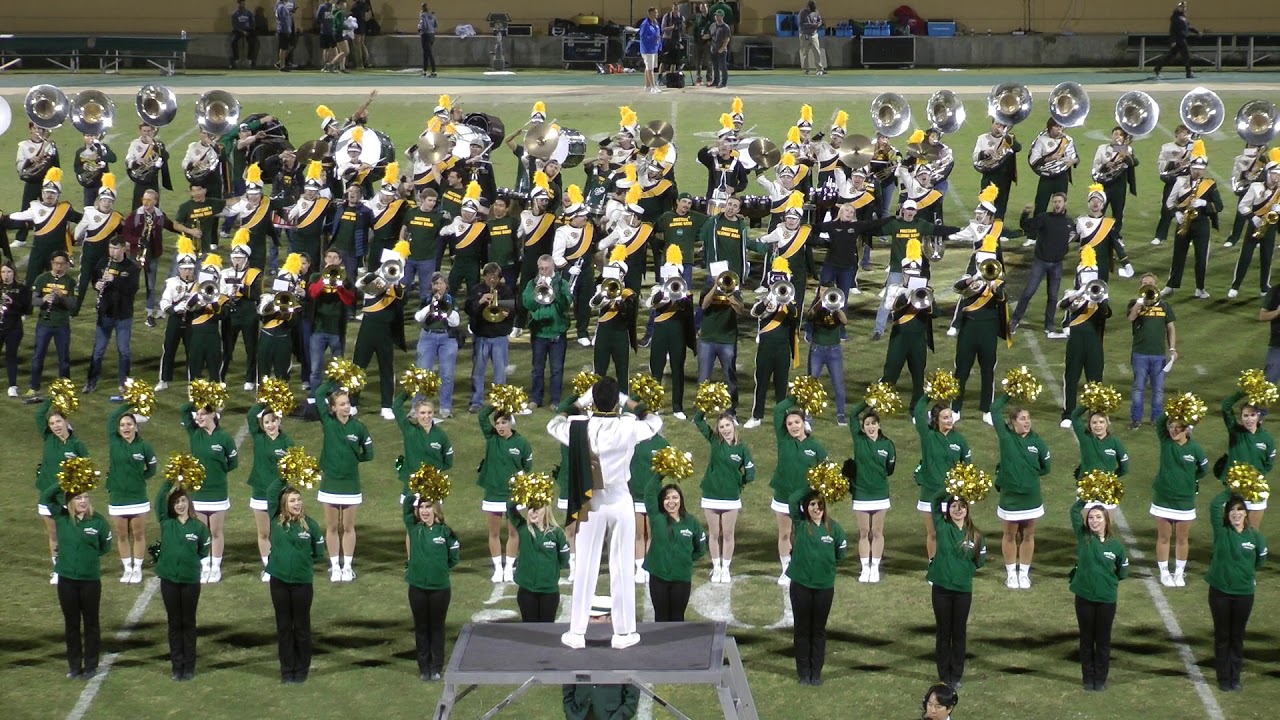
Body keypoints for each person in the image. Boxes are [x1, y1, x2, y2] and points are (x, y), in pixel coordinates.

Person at [548, 379, 663, 650]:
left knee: (585, 566)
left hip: (590, 501)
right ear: (615, 402)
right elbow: (654, 421)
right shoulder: (628, 425)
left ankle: (576, 633)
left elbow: (553, 424)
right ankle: (623, 633)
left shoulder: (579, 427)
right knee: (622, 566)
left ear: (593, 401)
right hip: (620, 498)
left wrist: (578, 403)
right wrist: (628, 402)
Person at [41, 483, 112, 679]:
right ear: (70, 501)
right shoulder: (62, 517)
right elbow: (47, 497)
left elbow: (105, 546)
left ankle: (91, 665)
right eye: (78, 498)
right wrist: (64, 482)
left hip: (90, 580)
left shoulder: (98, 521)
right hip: (67, 580)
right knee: (71, 624)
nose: (83, 501)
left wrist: (88, 559)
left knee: (91, 623)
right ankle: (74, 666)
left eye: (85, 497)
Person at [1205, 491, 1267, 692]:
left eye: (1240, 509)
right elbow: (1215, 505)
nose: (1236, 513)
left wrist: (1245, 575)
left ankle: (1235, 677)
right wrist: (1232, 489)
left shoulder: (1255, 536)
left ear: (1246, 514)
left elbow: (1260, 561)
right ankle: (1223, 678)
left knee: (1237, 636)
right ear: (1227, 514)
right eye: (1232, 510)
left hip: (1244, 594)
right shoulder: (1222, 532)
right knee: (1223, 635)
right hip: (1220, 592)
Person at [312, 379, 373, 582]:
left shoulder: (359, 428)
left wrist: (355, 459)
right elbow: (320, 391)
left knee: (348, 526)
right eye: (342, 404)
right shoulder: (328, 422)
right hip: (330, 482)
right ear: (333, 408)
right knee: (331, 526)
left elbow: (369, 453)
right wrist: (335, 380)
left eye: (347, 403)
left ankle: (347, 566)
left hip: (350, 483)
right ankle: (334, 566)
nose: (346, 406)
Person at [266, 481, 324, 683]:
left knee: (301, 627)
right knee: (283, 627)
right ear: (284, 504)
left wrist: (303, 566)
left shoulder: (311, 525)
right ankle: (287, 670)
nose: (297, 503)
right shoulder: (275, 521)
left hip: (302, 584)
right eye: (292, 500)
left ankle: (301, 670)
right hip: (279, 582)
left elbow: (319, 554)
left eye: (299, 499)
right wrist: (285, 476)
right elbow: (271, 491)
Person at [1069, 499, 1129, 692]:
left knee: (1103, 640)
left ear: (1106, 520)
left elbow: (1123, 571)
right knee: (1086, 639)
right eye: (1091, 518)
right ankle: (1088, 678)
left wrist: (1108, 583)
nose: (1094, 521)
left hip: (1106, 600)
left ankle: (1101, 680)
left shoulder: (1116, 546)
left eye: (1098, 517)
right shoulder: (1083, 536)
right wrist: (1088, 496)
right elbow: (1074, 510)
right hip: (1084, 597)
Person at [787, 488, 845, 686]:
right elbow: (792, 498)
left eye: (820, 504)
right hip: (801, 585)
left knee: (818, 630)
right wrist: (813, 485)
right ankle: (803, 673)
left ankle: (816, 673)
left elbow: (840, 554)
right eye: (812, 504)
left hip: (824, 586)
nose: (816, 508)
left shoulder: (834, 529)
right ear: (806, 508)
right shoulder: (800, 523)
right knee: (802, 629)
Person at [928, 492, 986, 690]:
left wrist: (964, 572)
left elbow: (980, 561)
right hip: (941, 589)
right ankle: (944, 675)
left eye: (962, 506)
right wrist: (952, 487)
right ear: (948, 510)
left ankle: (956, 675)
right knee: (943, 632)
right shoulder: (942, 527)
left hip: (963, 591)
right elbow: (935, 502)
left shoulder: (976, 535)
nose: (958, 510)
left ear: (967, 510)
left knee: (959, 632)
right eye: (953, 506)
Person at [153, 480, 210, 680]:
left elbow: (204, 550)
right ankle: (177, 666)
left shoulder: (199, 528)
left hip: (190, 581)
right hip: (169, 580)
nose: (180, 505)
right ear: (171, 505)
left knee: (189, 622)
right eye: (176, 502)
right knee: (174, 623)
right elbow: (159, 499)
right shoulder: (166, 523)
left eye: (183, 500)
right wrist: (170, 480)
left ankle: (189, 666)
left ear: (189, 503)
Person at [769, 395, 828, 586]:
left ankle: (805, 567)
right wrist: (797, 397)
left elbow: (826, 471)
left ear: (804, 423)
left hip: (806, 500)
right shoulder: (784, 439)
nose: (793, 426)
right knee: (785, 533)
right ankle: (787, 570)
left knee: (805, 534)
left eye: (797, 422)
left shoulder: (815, 447)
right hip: (783, 496)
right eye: (789, 423)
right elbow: (778, 410)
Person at [180, 399, 239, 583]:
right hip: (199, 492)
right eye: (197, 415)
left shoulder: (225, 438)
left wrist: (217, 474)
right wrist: (198, 398)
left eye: (202, 414)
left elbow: (233, 463)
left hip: (218, 492)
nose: (199, 418)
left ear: (213, 414)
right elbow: (184, 409)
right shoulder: (194, 433)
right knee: (203, 532)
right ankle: (205, 565)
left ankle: (216, 567)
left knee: (216, 531)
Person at [403, 493, 458, 681]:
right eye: (421, 507)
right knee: (421, 627)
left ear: (435, 509)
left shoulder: (446, 532)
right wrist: (417, 490)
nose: (424, 511)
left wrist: (438, 571)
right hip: (417, 587)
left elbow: (454, 558)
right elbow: (406, 505)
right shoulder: (413, 527)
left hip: (440, 589)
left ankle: (436, 667)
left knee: (437, 628)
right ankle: (423, 667)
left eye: (428, 506)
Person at [694, 409, 754, 583]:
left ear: (734, 426)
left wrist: (738, 483)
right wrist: (706, 406)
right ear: (718, 429)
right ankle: (716, 567)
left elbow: (751, 472)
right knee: (713, 533)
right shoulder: (714, 440)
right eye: (721, 426)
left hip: (731, 498)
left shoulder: (742, 448)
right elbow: (698, 420)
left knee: (728, 533)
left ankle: (726, 568)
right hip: (711, 495)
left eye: (727, 425)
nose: (725, 429)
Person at [36, 399, 92, 584]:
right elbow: (38, 414)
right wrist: (54, 398)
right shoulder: (48, 438)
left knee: (73, 534)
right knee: (54, 534)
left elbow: (87, 470)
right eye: (52, 423)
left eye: (58, 421)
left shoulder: (77, 444)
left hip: (69, 497)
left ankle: (78, 564)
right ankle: (58, 569)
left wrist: (82, 494)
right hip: (47, 495)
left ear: (66, 422)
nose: (55, 426)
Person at [478, 403, 534, 582]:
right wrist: (497, 402)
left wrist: (520, 479)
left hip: (514, 495)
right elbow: (481, 416)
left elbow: (527, 466)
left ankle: (509, 567)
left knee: (513, 532)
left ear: (511, 423)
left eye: (504, 422)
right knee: (493, 532)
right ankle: (497, 568)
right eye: (498, 423)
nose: (500, 426)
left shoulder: (522, 443)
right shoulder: (491, 437)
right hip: (493, 492)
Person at [1152, 412, 1208, 587]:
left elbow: (1203, 470)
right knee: (1164, 537)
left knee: (1182, 538)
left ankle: (1178, 573)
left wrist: (1190, 481)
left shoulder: (1195, 449)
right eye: (1171, 426)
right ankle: (1164, 573)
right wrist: (1174, 409)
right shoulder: (1166, 442)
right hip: (1163, 500)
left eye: (1178, 427)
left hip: (1185, 501)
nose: (1173, 430)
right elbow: (1160, 421)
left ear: (1186, 430)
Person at [104, 402, 158, 584]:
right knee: (121, 535)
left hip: (138, 497)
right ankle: (127, 568)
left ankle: (138, 568)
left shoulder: (144, 446)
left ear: (136, 426)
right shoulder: (114, 441)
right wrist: (131, 403)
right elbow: (112, 417)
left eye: (129, 424)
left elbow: (152, 469)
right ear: (118, 429)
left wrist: (138, 478)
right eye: (122, 425)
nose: (125, 428)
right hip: (118, 497)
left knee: (139, 534)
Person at [914, 396, 972, 560]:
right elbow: (918, 411)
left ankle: (953, 563)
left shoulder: (959, 440)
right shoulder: (928, 436)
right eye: (945, 417)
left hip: (952, 496)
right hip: (930, 494)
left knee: (954, 532)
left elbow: (967, 466)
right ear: (935, 420)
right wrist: (929, 394)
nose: (949, 420)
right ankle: (934, 565)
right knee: (933, 533)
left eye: (950, 416)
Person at [745, 259, 800, 428]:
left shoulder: (790, 302)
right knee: (761, 382)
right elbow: (755, 312)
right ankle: (756, 416)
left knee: (781, 384)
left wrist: (785, 302)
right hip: (766, 346)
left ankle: (782, 417)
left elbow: (795, 315)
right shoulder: (764, 299)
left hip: (783, 347)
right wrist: (768, 300)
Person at [844, 401, 896, 582]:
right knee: (864, 531)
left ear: (879, 425)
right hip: (861, 493)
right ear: (863, 427)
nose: (871, 427)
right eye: (867, 424)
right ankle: (865, 568)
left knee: (877, 531)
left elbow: (890, 469)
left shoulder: (888, 445)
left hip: (880, 493)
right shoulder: (859, 440)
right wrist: (868, 402)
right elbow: (852, 415)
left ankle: (876, 568)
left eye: (874, 423)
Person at [1058, 252, 1112, 425]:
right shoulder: (1072, 293)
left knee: (1095, 379)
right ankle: (1068, 414)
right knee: (1071, 377)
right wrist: (1080, 292)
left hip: (1095, 343)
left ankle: (1095, 413)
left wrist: (1101, 300)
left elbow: (1106, 314)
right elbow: (1062, 306)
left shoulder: (1100, 293)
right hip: (1076, 342)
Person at [1163, 143, 1222, 299]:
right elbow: (1170, 202)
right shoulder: (1180, 181)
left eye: (1200, 169)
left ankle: (1200, 288)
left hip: (1201, 223)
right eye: (1195, 167)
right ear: (1190, 167)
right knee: (1178, 256)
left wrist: (1205, 204)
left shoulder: (1209, 184)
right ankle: (1171, 285)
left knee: (1201, 258)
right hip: (1183, 221)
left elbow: (1220, 206)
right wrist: (1176, 214)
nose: (1197, 171)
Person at [85, 237, 140, 396]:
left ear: (123, 249)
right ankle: (91, 382)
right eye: (110, 248)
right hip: (105, 313)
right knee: (98, 351)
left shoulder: (131, 268)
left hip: (123, 315)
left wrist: (114, 280)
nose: (112, 252)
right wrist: (96, 285)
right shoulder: (103, 263)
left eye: (115, 249)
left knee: (123, 350)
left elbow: (132, 289)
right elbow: (94, 278)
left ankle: (124, 384)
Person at [245, 401, 293, 582]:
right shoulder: (258, 438)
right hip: (259, 493)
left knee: (281, 533)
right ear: (262, 425)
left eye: (273, 421)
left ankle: (283, 564)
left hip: (281, 495)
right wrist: (266, 400)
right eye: (266, 422)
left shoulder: (287, 442)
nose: (270, 425)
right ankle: (269, 567)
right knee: (264, 533)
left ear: (279, 421)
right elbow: (251, 414)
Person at [1012, 196, 1072, 336]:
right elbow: (1026, 226)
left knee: (1053, 296)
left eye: (1059, 201)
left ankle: (1049, 325)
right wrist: (1025, 213)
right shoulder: (1044, 218)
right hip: (1041, 262)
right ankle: (1015, 320)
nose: (1057, 204)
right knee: (1028, 292)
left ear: (1065, 203)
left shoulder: (1069, 221)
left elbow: (1075, 237)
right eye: (1055, 201)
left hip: (1057, 264)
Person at [1127, 273, 1177, 429]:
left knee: (1158, 390)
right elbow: (1131, 318)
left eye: (1150, 283)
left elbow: (1170, 328)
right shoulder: (1134, 303)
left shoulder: (1164, 306)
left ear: (1156, 286)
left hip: (1158, 355)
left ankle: (1156, 419)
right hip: (1140, 353)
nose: (1147, 285)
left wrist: (1172, 348)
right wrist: (1140, 303)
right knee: (1138, 388)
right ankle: (1136, 419)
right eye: (1144, 283)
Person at [1219, 391, 1275, 528]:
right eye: (1245, 415)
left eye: (1252, 415)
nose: (1249, 419)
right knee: (1232, 532)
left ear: (1258, 416)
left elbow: (1268, 465)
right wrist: (1245, 391)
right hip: (1235, 491)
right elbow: (1226, 406)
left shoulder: (1267, 439)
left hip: (1255, 491)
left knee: (1252, 533)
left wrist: (1255, 478)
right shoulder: (1235, 432)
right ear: (1241, 417)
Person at [523, 255, 571, 411]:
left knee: (556, 369)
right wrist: (537, 294)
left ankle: (555, 400)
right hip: (539, 333)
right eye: (541, 268)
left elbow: (566, 305)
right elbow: (527, 304)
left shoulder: (561, 283)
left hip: (557, 332)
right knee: (537, 369)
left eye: (546, 268)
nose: (543, 271)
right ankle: (536, 398)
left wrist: (555, 292)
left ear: (553, 268)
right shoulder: (532, 284)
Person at [466, 263, 515, 412]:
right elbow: (468, 309)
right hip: (481, 336)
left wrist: (508, 314)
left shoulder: (505, 291)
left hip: (499, 337)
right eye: (489, 276)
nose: (492, 280)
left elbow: (513, 309)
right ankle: (476, 401)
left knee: (500, 372)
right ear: (485, 276)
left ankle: (499, 401)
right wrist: (480, 302)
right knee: (478, 372)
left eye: (495, 277)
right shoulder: (477, 290)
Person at [508, 500, 568, 622]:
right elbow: (509, 507)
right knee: (529, 629)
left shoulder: (557, 533)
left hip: (549, 592)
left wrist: (549, 573)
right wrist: (523, 496)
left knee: (547, 629)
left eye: (537, 508)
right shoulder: (523, 528)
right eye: (530, 508)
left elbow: (563, 561)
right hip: (527, 591)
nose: (533, 512)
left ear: (546, 510)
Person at [28, 251, 77, 400]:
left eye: (62, 264)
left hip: (62, 324)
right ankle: (34, 387)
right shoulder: (42, 278)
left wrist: (62, 297)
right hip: (44, 323)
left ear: (67, 265)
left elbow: (73, 305)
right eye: (56, 263)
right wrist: (43, 299)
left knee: (64, 358)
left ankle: (64, 388)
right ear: (51, 263)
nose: (59, 267)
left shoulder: (70, 281)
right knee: (38, 356)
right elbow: (32, 300)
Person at [413, 272, 461, 416]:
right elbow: (418, 318)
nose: (438, 286)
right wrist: (431, 305)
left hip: (447, 338)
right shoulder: (426, 299)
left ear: (446, 285)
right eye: (435, 284)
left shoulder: (451, 300)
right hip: (427, 337)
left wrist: (444, 306)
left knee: (446, 374)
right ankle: (417, 407)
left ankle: (445, 407)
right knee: (422, 373)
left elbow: (456, 322)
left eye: (441, 283)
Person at [1230, 159, 1280, 297]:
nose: (1277, 177)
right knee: (1245, 256)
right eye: (1275, 174)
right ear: (1268, 174)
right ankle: (1235, 286)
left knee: (1267, 257)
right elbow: (1242, 206)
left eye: (1279, 174)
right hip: (1254, 226)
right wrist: (1253, 217)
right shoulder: (1255, 187)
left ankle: (1264, 287)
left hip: (1270, 227)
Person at [1070, 404, 1130, 516]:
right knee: (1087, 528)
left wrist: (1109, 477)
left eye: (1101, 422)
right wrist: (1089, 402)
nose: (1098, 425)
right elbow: (1075, 416)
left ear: (1107, 424)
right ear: (1089, 425)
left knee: (1106, 530)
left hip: (1108, 491)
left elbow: (1125, 468)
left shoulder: (1115, 442)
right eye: (1094, 422)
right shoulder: (1085, 438)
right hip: (1087, 490)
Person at [1026, 119, 1078, 245]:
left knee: (1060, 206)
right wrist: (1050, 158)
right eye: (1056, 127)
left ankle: (1060, 234)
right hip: (1046, 177)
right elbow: (1034, 160)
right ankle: (1033, 236)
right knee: (1040, 205)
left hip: (1062, 176)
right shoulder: (1041, 140)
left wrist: (1073, 161)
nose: (1060, 129)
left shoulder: (1067, 140)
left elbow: (1075, 157)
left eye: (1061, 126)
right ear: (1050, 128)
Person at [124, 189, 167, 325]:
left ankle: (149, 314)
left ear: (155, 201)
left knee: (151, 286)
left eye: (149, 200)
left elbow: (172, 226)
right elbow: (126, 233)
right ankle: (126, 310)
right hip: (135, 255)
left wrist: (188, 230)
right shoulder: (135, 215)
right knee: (131, 284)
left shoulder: (160, 215)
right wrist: (138, 240)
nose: (146, 202)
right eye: (144, 199)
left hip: (152, 256)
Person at [1092, 127, 1138, 241]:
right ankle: (1095, 234)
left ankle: (1116, 235)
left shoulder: (1127, 149)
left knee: (1118, 212)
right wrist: (1106, 165)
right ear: (1111, 136)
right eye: (1115, 134)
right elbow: (1095, 165)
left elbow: (1134, 163)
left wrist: (1125, 154)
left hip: (1119, 186)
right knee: (1099, 209)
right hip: (1104, 185)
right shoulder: (1102, 148)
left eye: (1120, 135)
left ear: (1124, 138)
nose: (1117, 136)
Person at [1153, 124, 1194, 246]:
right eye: (1182, 132)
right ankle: (1160, 236)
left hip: (1186, 182)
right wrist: (1174, 164)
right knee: (1166, 208)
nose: (1185, 135)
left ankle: (1187, 235)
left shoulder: (1193, 147)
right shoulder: (1167, 147)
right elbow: (1160, 164)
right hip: (1172, 180)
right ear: (1176, 134)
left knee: (1187, 209)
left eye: (1187, 133)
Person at [973, 121, 1021, 220]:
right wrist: (984, 153)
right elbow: (974, 156)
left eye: (1002, 125)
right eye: (997, 124)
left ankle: (998, 229)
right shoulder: (982, 138)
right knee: (985, 203)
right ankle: (983, 226)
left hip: (1004, 177)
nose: (999, 127)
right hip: (988, 176)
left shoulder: (1008, 139)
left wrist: (1006, 136)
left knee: (1001, 206)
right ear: (992, 124)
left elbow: (1018, 148)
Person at [1, 262, 33, 398]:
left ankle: (12, 386)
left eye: (8, 272)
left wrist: (12, 302)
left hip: (14, 328)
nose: (5, 275)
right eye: (3, 272)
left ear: (14, 273)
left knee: (11, 356)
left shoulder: (22, 289)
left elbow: (28, 310)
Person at [1153, 2, 1200, 79]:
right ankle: (1189, 73)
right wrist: (1173, 41)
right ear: (1178, 7)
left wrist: (1197, 32)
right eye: (1181, 7)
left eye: (1184, 7)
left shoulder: (1184, 17)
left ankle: (1157, 68)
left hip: (1182, 39)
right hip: (1179, 39)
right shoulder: (1175, 17)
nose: (1183, 8)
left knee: (1171, 56)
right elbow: (1172, 30)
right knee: (1186, 55)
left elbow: (1189, 27)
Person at [798, 1, 826, 76]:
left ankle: (820, 69)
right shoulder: (802, 13)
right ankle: (806, 70)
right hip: (804, 35)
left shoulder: (816, 12)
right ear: (808, 7)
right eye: (811, 9)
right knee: (805, 53)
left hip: (814, 35)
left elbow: (819, 20)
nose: (812, 11)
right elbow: (801, 24)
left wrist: (818, 24)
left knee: (817, 52)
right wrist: (812, 25)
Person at [638, 7, 662, 94]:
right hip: (647, 49)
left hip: (654, 49)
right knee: (650, 68)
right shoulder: (645, 24)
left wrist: (659, 45)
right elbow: (643, 37)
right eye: (655, 13)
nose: (657, 14)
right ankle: (653, 87)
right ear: (650, 13)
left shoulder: (655, 23)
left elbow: (658, 34)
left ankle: (647, 86)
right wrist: (653, 38)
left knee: (648, 67)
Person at [231, 0, 258, 69]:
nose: (241, 5)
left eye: (242, 3)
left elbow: (253, 23)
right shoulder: (235, 14)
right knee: (233, 41)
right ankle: (236, 59)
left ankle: (250, 60)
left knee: (252, 41)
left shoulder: (249, 13)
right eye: (240, 3)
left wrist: (250, 30)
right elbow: (235, 25)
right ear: (238, 4)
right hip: (238, 31)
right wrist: (242, 31)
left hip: (248, 30)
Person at [708, 9, 731, 88]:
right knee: (715, 66)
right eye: (716, 15)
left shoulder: (725, 27)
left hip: (722, 50)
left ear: (722, 16)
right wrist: (704, 37)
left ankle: (723, 82)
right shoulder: (713, 25)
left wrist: (722, 48)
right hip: (713, 49)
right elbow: (711, 35)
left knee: (723, 67)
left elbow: (727, 39)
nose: (716, 17)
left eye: (718, 15)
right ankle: (716, 81)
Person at [690, 3, 710, 86]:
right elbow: (695, 29)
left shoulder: (711, 17)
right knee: (698, 61)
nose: (703, 9)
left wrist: (709, 37)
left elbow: (713, 28)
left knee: (709, 61)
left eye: (704, 7)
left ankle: (709, 78)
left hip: (708, 43)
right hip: (698, 42)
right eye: (702, 8)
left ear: (707, 7)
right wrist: (695, 40)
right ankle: (698, 78)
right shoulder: (698, 17)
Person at [273, 0, 296, 71]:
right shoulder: (281, 7)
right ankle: (282, 66)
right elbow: (284, 20)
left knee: (284, 48)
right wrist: (287, 30)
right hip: (283, 30)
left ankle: (281, 63)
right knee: (283, 48)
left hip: (283, 29)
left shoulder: (282, 7)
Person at [418, 4, 438, 77]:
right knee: (426, 53)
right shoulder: (432, 15)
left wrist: (419, 29)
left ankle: (434, 72)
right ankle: (424, 71)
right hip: (432, 35)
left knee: (429, 54)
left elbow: (423, 25)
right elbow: (436, 25)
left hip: (425, 35)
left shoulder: (422, 15)